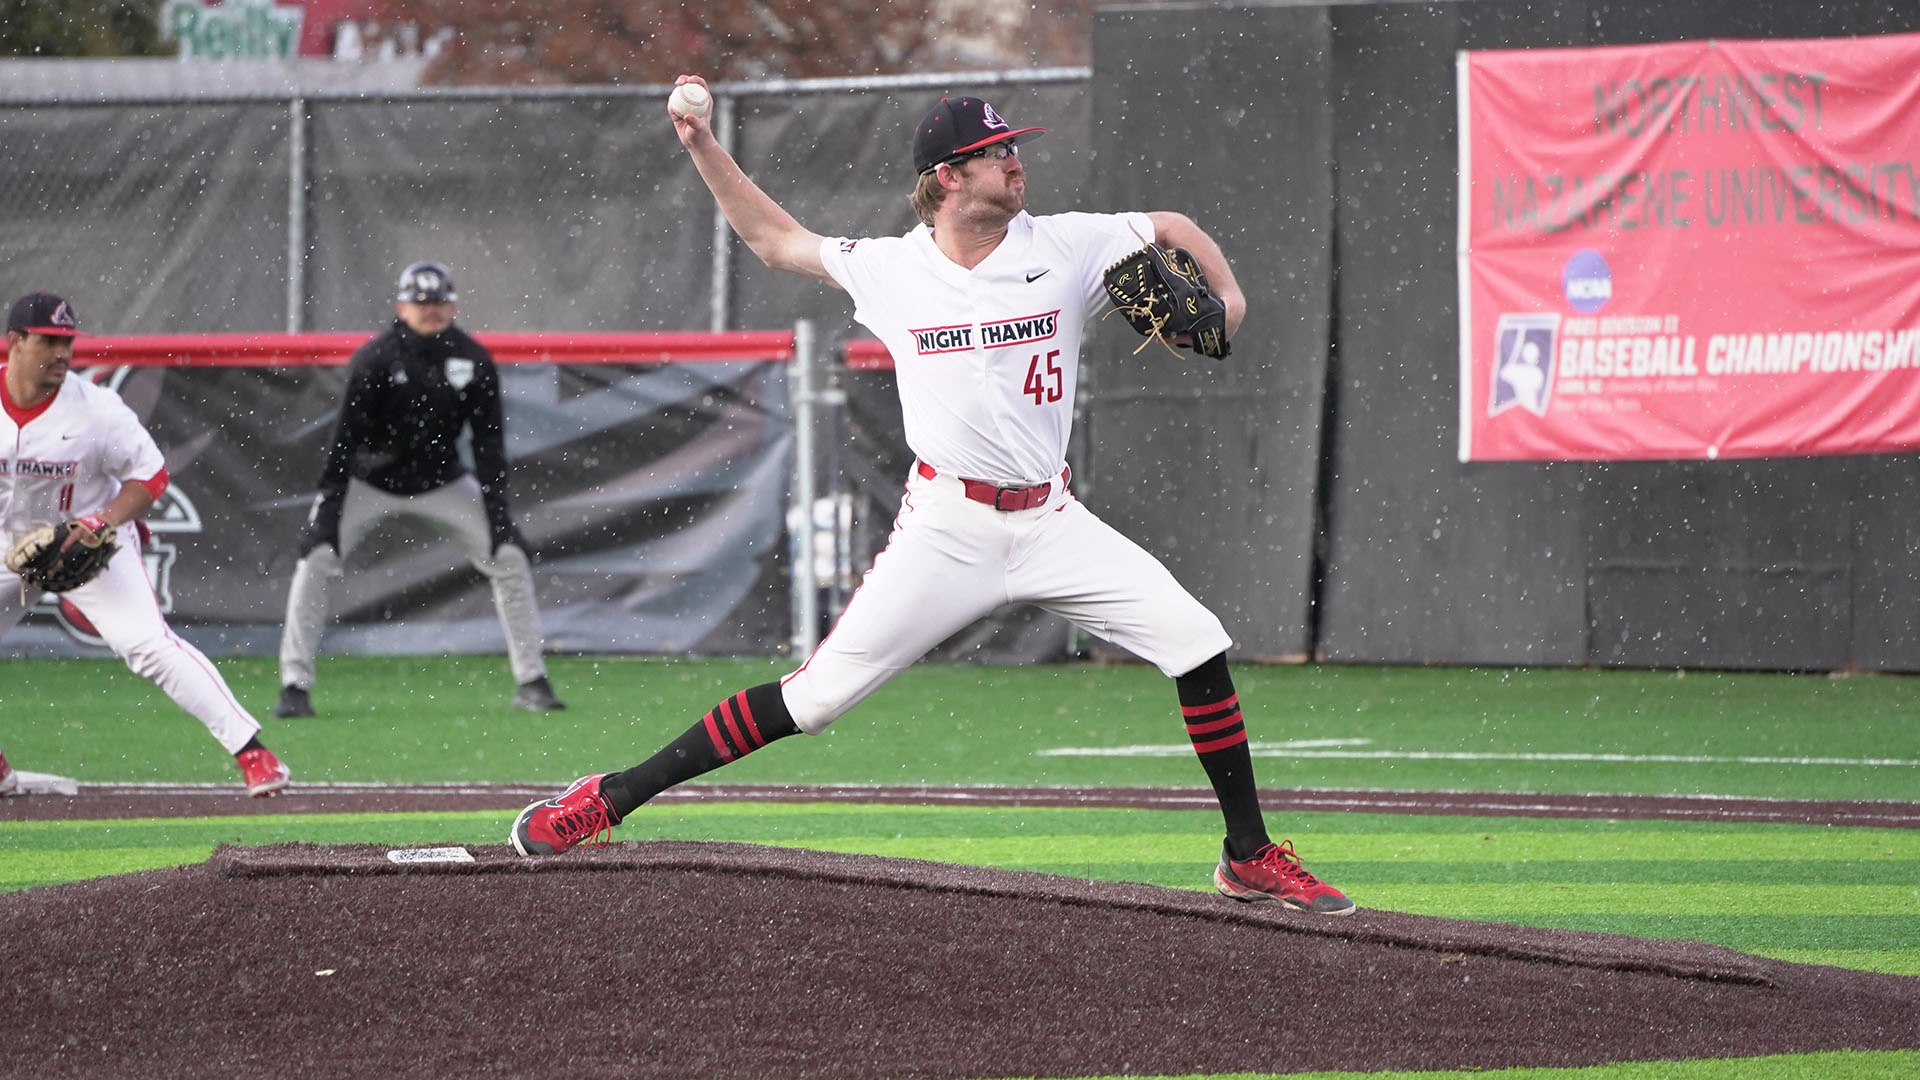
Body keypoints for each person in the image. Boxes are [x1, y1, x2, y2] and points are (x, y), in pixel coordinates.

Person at [510, 84, 1354, 916]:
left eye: (1013, 148)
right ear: (948, 177)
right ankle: (608, 798)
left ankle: (1247, 857)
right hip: (949, 524)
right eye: (997, 153)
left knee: (1195, 641)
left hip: (1052, 520)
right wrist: (701, 145)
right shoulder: (892, 268)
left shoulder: (1069, 245)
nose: (1017, 163)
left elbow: (1172, 227)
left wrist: (1229, 299)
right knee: (814, 700)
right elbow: (772, 240)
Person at [1, 292, 291, 797]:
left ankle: (254, 753)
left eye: (67, 341)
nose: (62, 353)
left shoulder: (95, 410)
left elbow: (151, 476)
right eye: (49, 340)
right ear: (15, 343)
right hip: (9, 544)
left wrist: (104, 520)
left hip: (87, 543)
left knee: (147, 646)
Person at [274, 261, 564, 718]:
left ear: (454, 305)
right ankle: (294, 685)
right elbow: (345, 437)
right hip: (370, 481)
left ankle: (532, 679)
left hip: (441, 481)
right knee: (316, 558)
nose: (431, 310)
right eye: (421, 302)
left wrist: (497, 512)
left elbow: (489, 442)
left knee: (508, 555)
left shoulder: (472, 358)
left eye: (439, 301)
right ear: (400, 306)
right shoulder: (375, 358)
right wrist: (329, 508)